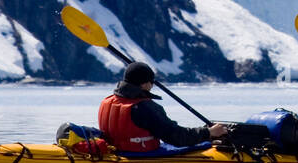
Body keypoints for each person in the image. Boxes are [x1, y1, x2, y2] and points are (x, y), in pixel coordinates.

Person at [98, 61, 230, 153]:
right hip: (141, 155)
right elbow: (176, 137)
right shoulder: (145, 107)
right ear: (144, 84)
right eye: (151, 82)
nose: (152, 86)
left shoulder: (108, 100)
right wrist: (209, 133)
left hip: (115, 151)